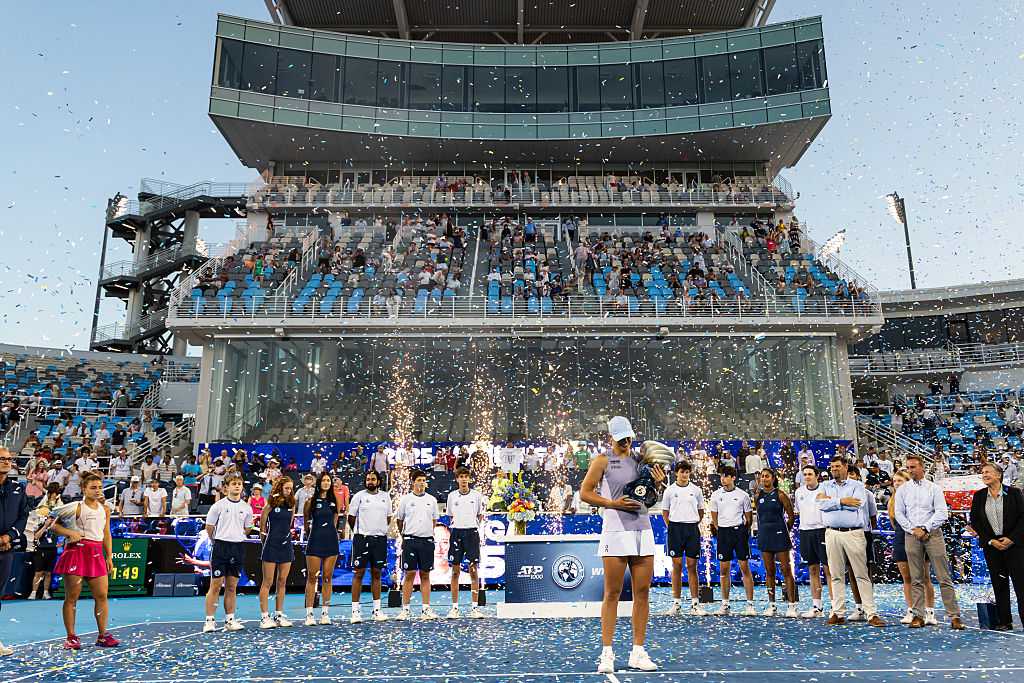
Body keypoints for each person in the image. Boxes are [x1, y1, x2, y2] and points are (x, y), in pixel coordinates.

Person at [580, 417, 663, 674]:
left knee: (643, 592)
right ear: (611, 438)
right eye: (621, 438)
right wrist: (612, 504)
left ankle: (638, 652)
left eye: (628, 437)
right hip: (615, 531)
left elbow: (648, 496)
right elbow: (585, 492)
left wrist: (657, 484)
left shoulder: (642, 461)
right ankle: (607, 653)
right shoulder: (602, 460)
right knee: (612, 593)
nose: (626, 442)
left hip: (643, 530)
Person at [893, 454, 965, 630]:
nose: (910, 470)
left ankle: (954, 616)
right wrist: (913, 530)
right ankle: (918, 615)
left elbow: (942, 513)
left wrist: (924, 528)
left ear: (922, 468)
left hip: (933, 534)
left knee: (943, 577)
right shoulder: (902, 490)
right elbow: (899, 514)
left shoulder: (934, 488)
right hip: (911, 535)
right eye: (908, 467)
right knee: (916, 578)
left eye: (913, 467)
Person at [51, 472, 120, 650]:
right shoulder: (76, 508)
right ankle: (71, 637)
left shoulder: (105, 509)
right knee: (72, 597)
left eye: (100, 487)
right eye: (93, 487)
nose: (97, 490)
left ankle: (103, 636)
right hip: (76, 552)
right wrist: (70, 533)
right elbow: (54, 526)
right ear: (84, 489)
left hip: (96, 554)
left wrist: (109, 556)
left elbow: (106, 534)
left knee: (102, 596)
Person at [816, 456, 885, 627]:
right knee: (836, 575)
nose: (834, 469)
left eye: (837, 466)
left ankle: (871, 613)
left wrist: (832, 502)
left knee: (861, 574)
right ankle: (838, 612)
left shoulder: (858, 486)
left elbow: (857, 504)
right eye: (832, 467)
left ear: (846, 467)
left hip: (853, 533)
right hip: (832, 533)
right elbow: (820, 504)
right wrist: (842, 501)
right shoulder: (825, 485)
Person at [970, 463, 1024, 630]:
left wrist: (1011, 539)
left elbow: (1023, 518)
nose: (984, 475)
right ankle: (1005, 621)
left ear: (999, 475)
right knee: (999, 585)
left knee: (1021, 584)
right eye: (983, 472)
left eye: (988, 472)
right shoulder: (979, 496)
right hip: (992, 547)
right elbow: (975, 521)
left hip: (1015, 547)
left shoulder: (1014, 493)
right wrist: (990, 541)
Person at [202, 473, 254, 633]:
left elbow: (248, 528)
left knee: (232, 587)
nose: (237, 486)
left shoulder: (247, 508)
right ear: (226, 487)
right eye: (233, 484)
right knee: (215, 585)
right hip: (221, 547)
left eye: (239, 484)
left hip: (238, 548)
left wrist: (237, 535)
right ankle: (209, 621)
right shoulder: (218, 506)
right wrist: (216, 541)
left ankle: (230, 620)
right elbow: (209, 527)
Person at [889, 470, 936, 625]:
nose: (896, 484)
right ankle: (912, 610)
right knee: (907, 578)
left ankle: (929, 612)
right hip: (901, 538)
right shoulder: (892, 501)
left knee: (924, 577)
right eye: (894, 481)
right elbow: (894, 523)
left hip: (919, 537)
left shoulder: (919, 498)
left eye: (900, 481)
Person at [660, 461, 707, 616]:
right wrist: (673, 527)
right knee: (677, 565)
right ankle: (676, 604)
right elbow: (665, 512)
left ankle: (695, 604)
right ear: (676, 473)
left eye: (687, 472)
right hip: (675, 529)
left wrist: (692, 523)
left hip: (692, 529)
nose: (685, 475)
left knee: (692, 566)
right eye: (682, 472)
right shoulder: (669, 490)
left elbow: (701, 510)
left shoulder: (696, 490)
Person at [709, 466, 756, 617]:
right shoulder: (715, 495)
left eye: (726, 476)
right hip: (724, 533)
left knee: (744, 567)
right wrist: (722, 530)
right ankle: (725, 604)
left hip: (739, 533)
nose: (723, 479)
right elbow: (714, 518)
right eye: (721, 476)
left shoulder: (743, 495)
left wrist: (741, 531)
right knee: (723, 570)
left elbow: (748, 518)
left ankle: (750, 605)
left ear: (733, 477)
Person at [395, 469, 440, 621]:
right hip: (410, 541)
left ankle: (426, 609)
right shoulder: (405, 500)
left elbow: (434, 521)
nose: (421, 483)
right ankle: (405, 609)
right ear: (413, 482)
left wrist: (426, 533)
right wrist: (405, 535)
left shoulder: (432, 500)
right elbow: (399, 520)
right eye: (419, 480)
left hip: (427, 541)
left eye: (423, 480)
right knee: (409, 574)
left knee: (425, 575)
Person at [754, 469, 799, 617]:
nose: (764, 479)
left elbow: (791, 517)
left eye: (767, 476)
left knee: (786, 569)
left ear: (773, 478)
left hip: (780, 536)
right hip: (765, 536)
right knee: (769, 571)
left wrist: (783, 530)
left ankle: (792, 606)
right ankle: (772, 605)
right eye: (762, 476)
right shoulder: (757, 496)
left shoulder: (781, 495)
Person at [348, 470, 391, 623]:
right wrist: (360, 532)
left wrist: (378, 530)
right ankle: (355, 612)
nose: (370, 481)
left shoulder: (386, 497)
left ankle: (377, 610)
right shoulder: (358, 496)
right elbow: (351, 518)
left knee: (377, 573)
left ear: (378, 481)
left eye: (373, 479)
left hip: (379, 540)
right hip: (361, 539)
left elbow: (388, 518)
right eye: (368, 479)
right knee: (358, 573)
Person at [445, 466, 487, 619]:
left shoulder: (477, 495)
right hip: (456, 533)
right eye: (461, 477)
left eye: (466, 476)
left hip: (472, 534)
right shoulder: (451, 496)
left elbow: (480, 515)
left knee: (473, 571)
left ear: (469, 479)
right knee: (455, 571)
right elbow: (450, 516)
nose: (463, 479)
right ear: (457, 479)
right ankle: (455, 608)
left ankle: (474, 608)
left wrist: (471, 525)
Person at [0, 448, 29, 656]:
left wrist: (8, 537)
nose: (6, 462)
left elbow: (23, 516)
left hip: (6, 549)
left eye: (9, 459)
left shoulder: (18, 488)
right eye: (2, 458)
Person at [793, 465, 832, 617]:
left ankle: (835, 607)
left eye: (810, 474)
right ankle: (817, 607)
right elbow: (798, 511)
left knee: (829, 570)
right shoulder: (799, 492)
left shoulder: (825, 489)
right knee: (813, 569)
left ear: (817, 476)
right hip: (806, 532)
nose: (807, 477)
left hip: (823, 531)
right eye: (805, 474)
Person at [258, 477, 296, 629]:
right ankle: (264, 617)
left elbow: (290, 523)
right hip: (271, 545)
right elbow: (262, 526)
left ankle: (279, 615)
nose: (289, 491)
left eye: (290, 488)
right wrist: (266, 543)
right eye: (286, 488)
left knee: (282, 581)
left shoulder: (291, 504)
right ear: (280, 488)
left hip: (286, 545)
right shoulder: (270, 504)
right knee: (267, 581)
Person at [303, 472, 340, 626]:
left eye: (328, 480)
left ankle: (325, 613)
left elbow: (335, 521)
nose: (326, 482)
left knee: (327, 577)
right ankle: (309, 614)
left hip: (331, 541)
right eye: (323, 480)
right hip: (315, 541)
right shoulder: (310, 501)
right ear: (319, 483)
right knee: (312, 577)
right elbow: (306, 521)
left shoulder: (335, 500)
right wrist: (312, 534)